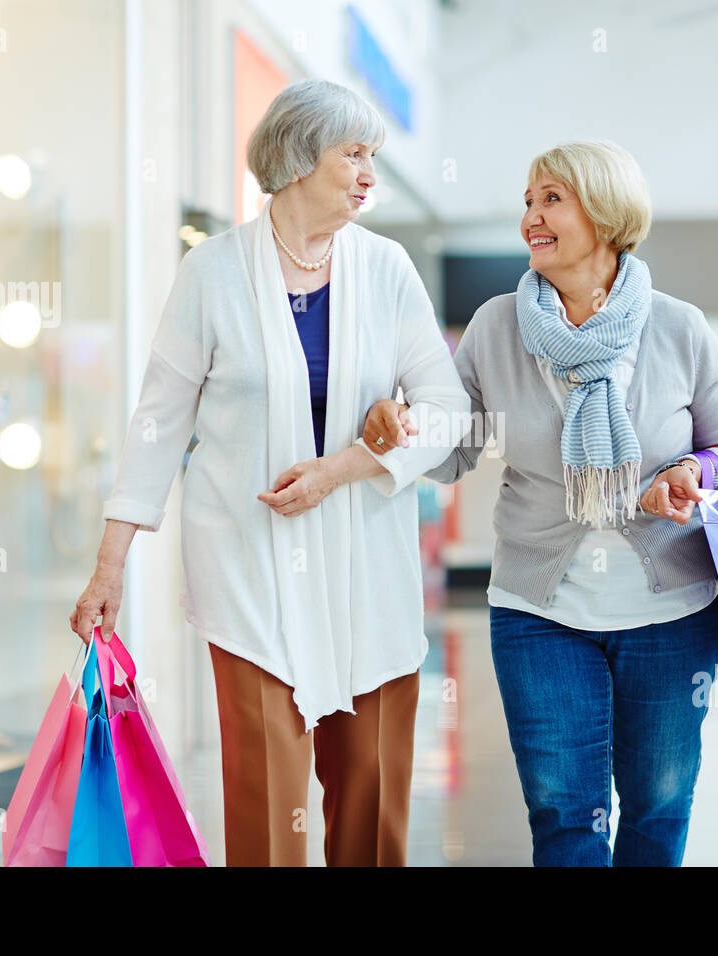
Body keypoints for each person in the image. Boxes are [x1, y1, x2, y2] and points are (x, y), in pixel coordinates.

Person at [70, 79, 469, 867]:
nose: (367, 174)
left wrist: (350, 464)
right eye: (353, 154)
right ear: (294, 158)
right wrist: (109, 565)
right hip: (248, 568)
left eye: (374, 158)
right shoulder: (213, 273)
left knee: (373, 795)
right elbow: (158, 423)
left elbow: (447, 407)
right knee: (266, 805)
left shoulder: (385, 269)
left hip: (367, 571)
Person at [363, 141, 718, 866]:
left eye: (551, 200)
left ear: (605, 214)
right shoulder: (496, 327)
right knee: (563, 814)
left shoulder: (678, 327)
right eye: (527, 201)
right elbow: (453, 454)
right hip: (538, 608)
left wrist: (690, 473)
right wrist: (401, 427)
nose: (531, 218)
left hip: (673, 608)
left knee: (658, 808)